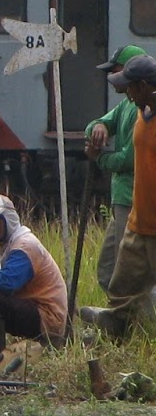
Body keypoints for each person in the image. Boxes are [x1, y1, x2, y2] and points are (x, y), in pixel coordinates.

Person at [83, 54, 156, 338]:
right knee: (121, 287)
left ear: (143, 86)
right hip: (139, 221)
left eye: (129, 87)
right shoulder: (140, 111)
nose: (125, 92)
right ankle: (115, 330)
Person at [0, 192, 67, 363]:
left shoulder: (24, 247)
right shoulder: (13, 244)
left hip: (48, 318)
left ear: (9, 218)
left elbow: (5, 284)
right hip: (39, 311)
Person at [87, 45, 147, 292]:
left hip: (133, 198)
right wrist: (98, 126)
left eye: (116, 71)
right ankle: (119, 316)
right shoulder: (125, 105)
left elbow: (129, 159)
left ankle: (136, 324)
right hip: (120, 198)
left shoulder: (142, 110)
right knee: (108, 269)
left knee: (130, 270)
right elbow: (96, 124)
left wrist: (99, 159)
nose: (112, 77)